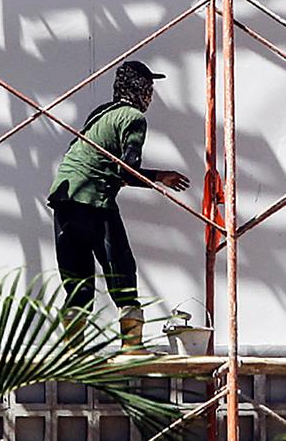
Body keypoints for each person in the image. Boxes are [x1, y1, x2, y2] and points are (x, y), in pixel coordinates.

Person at [47, 60, 190, 349]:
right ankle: (132, 348)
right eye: (149, 88)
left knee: (78, 283)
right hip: (94, 202)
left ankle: (73, 352)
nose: (150, 95)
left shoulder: (100, 113)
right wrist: (161, 177)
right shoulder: (133, 118)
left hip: (63, 202)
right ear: (140, 90)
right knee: (122, 270)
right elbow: (127, 171)